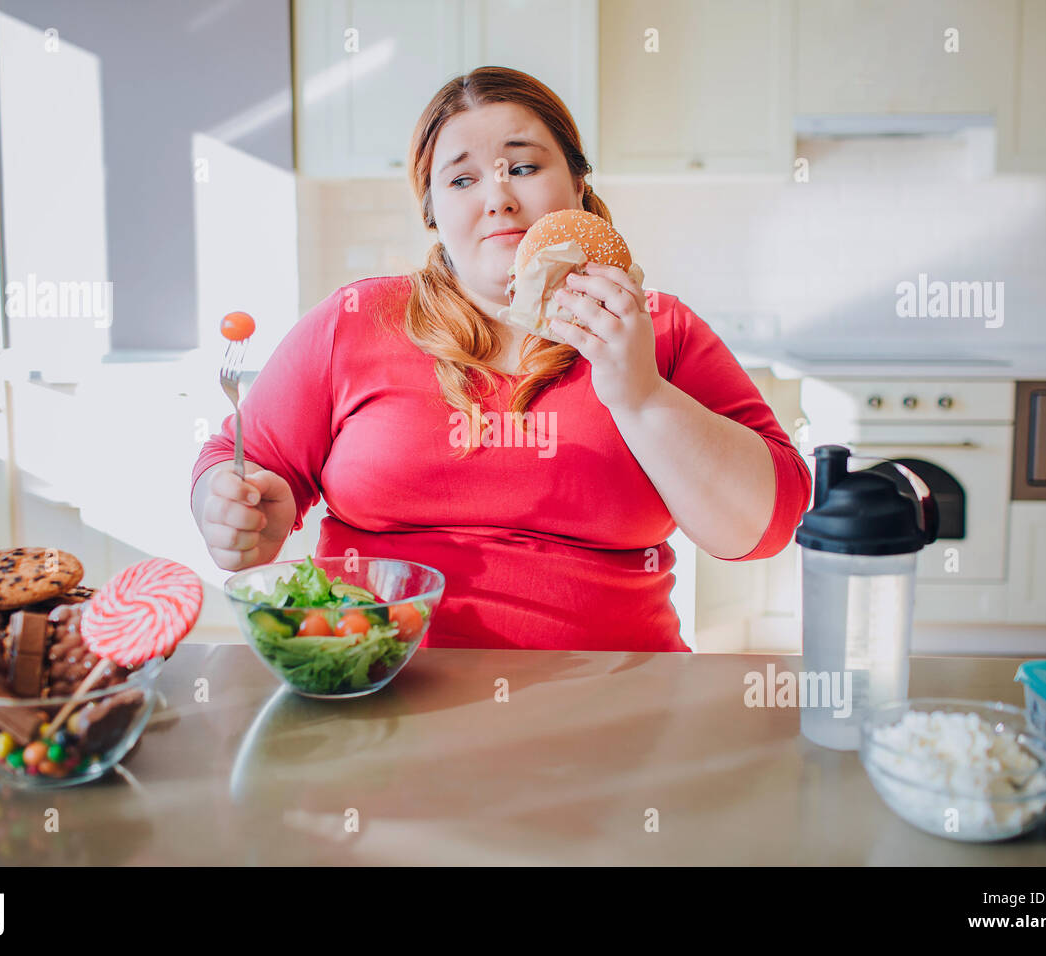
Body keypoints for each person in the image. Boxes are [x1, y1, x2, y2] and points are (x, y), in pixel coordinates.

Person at [191, 66, 811, 652]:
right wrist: (229, 510)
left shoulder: (659, 329)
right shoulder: (355, 321)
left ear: (577, 185)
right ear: (432, 211)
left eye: (523, 166)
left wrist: (641, 397)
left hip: (617, 706)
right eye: (462, 179)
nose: (499, 198)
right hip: (377, 688)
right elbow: (234, 462)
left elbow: (765, 528)